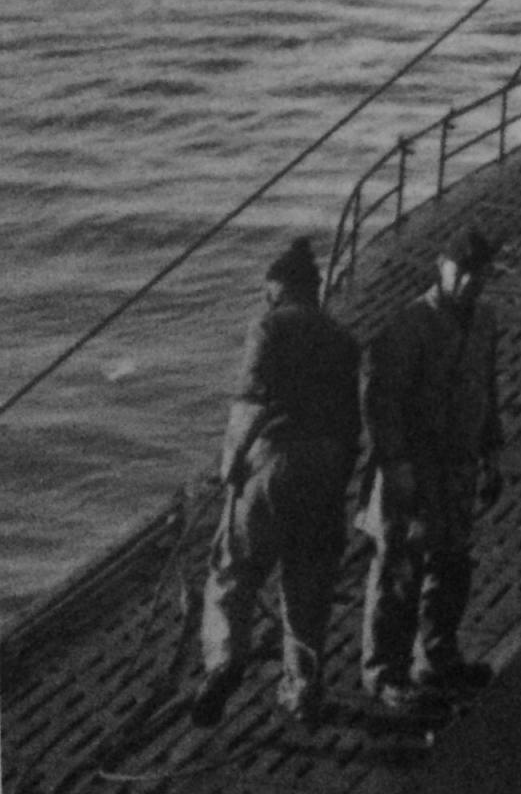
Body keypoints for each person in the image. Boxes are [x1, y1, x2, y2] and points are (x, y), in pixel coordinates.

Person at [192, 237, 360, 729]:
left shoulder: (269, 326)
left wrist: (230, 468)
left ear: (279, 288)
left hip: (273, 465)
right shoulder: (344, 341)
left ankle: (224, 664)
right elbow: (353, 428)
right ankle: (303, 688)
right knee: (308, 585)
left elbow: (250, 403)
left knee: (232, 571)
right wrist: (338, 483)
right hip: (326, 469)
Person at [359, 226, 503, 709]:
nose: (468, 282)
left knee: (452, 565)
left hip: (459, 465)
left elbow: (487, 389)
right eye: (460, 272)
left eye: (477, 275)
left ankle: (437, 658)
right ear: (442, 266)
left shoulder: (483, 321)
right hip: (413, 469)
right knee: (401, 572)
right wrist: (395, 466)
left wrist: (492, 455)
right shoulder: (409, 326)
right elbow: (382, 404)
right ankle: (385, 673)